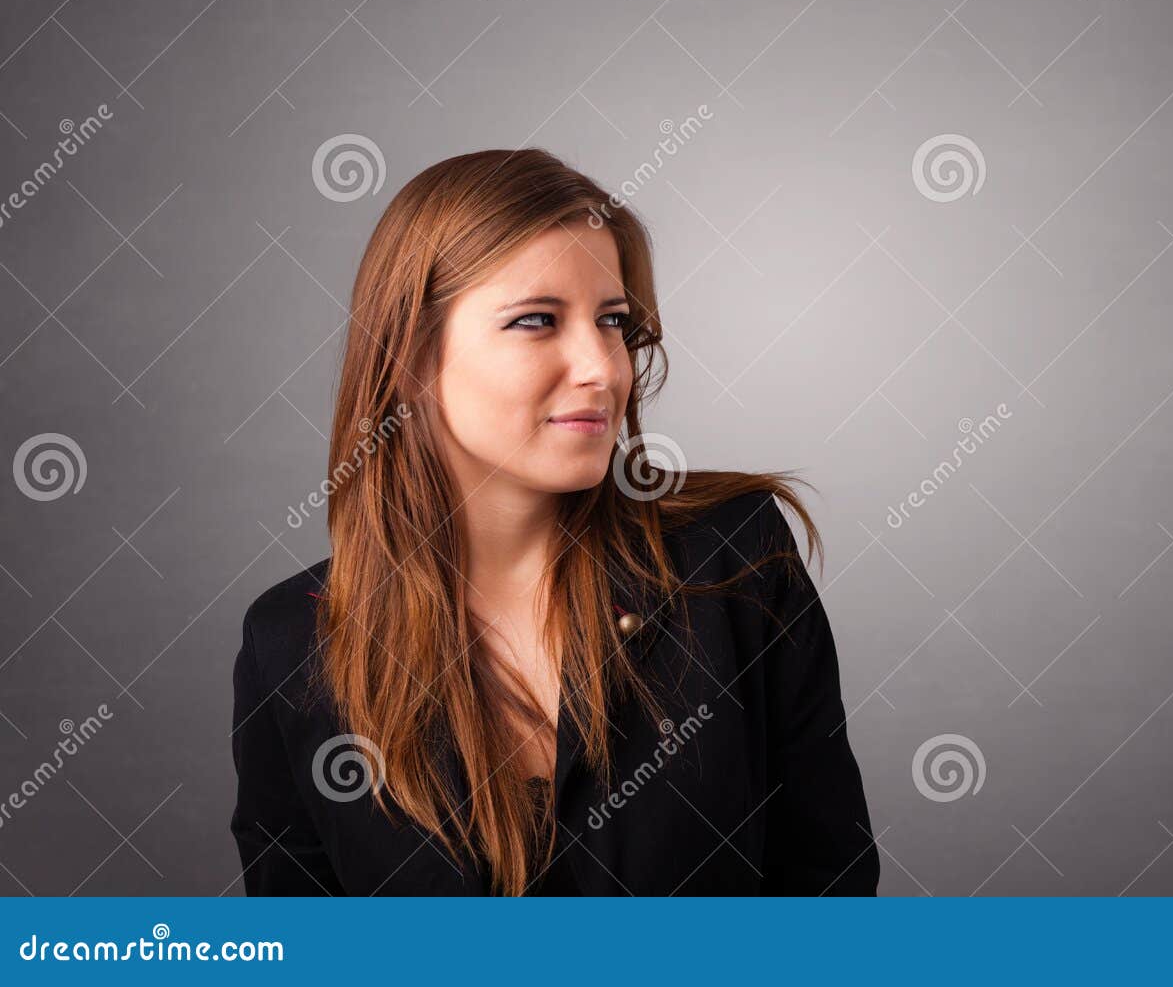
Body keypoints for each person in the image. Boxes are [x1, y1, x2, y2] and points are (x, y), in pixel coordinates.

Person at [229, 148, 878, 896]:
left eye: (613, 322)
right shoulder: (293, 643)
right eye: (536, 321)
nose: (603, 367)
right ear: (410, 355)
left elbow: (829, 891)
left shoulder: (732, 557)